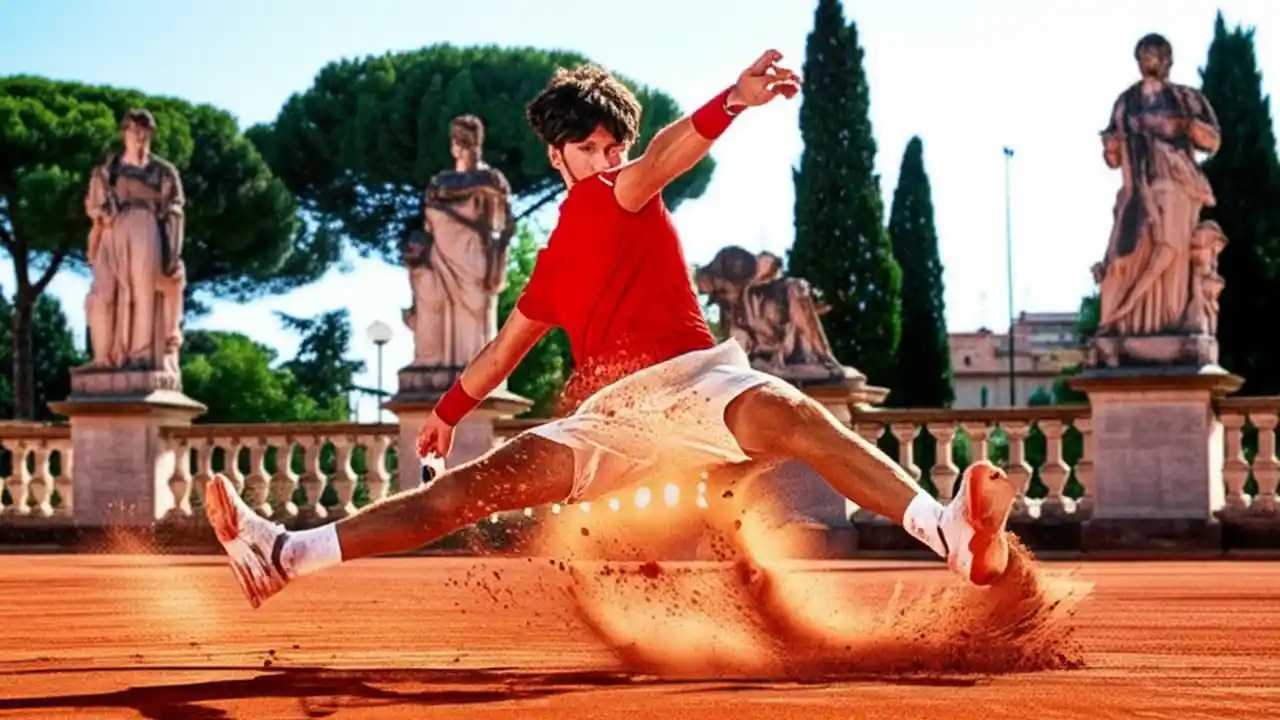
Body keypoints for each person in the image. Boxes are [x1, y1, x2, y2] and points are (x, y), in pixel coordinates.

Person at [206, 50, 1016, 609]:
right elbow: (504, 348)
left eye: (612, 146)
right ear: (556, 155)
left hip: (698, 386)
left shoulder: (623, 190)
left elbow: (666, 155)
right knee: (458, 496)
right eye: (587, 148)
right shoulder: (555, 256)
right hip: (611, 421)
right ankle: (284, 554)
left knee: (792, 413)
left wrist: (730, 102)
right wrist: (449, 412)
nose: (604, 158)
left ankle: (941, 529)